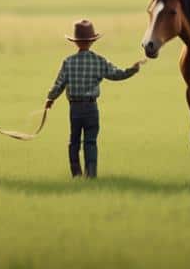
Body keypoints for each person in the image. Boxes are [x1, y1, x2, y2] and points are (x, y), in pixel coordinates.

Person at [45, 19, 143, 179]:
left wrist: (50, 99)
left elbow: (59, 84)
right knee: (90, 141)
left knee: (74, 141)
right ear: (92, 41)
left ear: (75, 42)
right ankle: (91, 175)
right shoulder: (99, 61)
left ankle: (76, 174)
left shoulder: (68, 62)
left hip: (75, 109)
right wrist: (132, 70)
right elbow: (117, 74)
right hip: (91, 108)